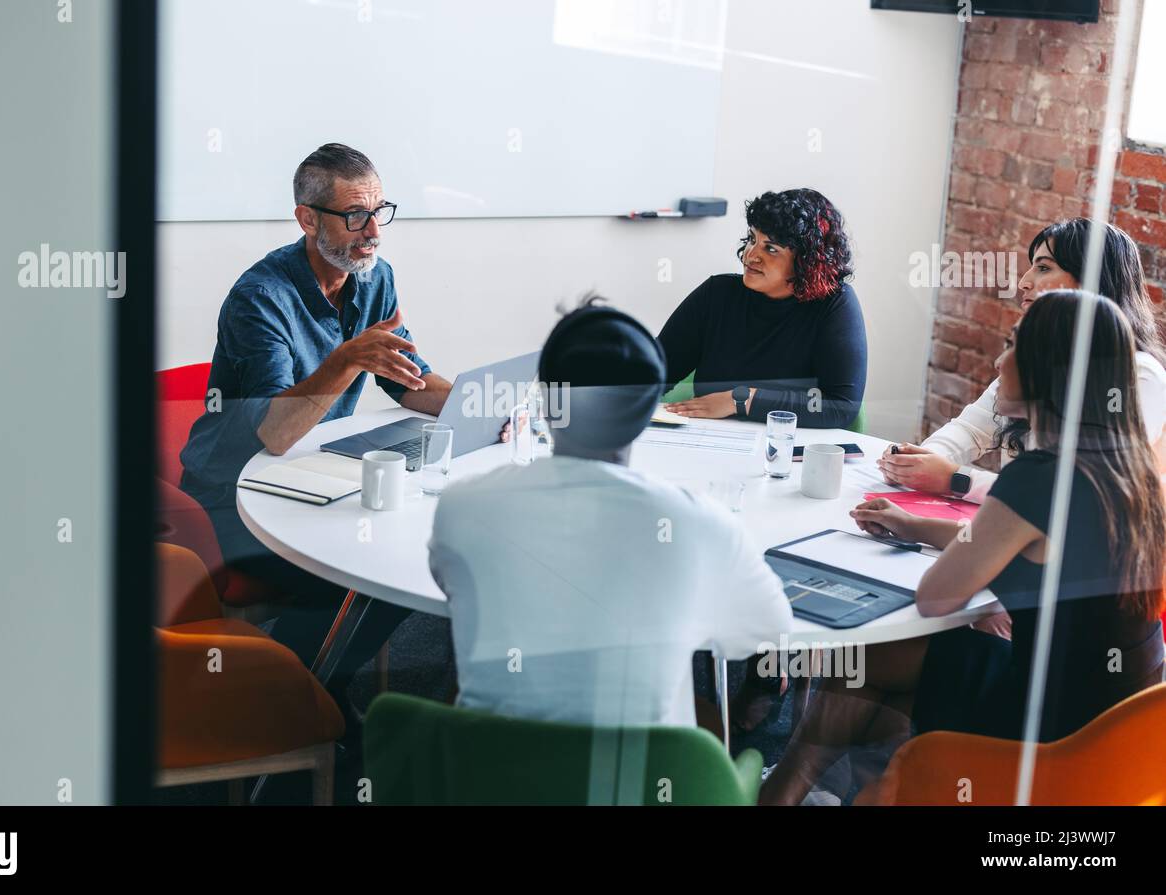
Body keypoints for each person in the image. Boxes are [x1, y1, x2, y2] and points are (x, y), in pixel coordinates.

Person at [761, 290, 1166, 806]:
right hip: (1121, 727)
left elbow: (935, 598)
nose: (999, 363)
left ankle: (808, 789)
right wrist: (915, 526)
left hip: (1049, 731)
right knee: (897, 672)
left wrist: (936, 537)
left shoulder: (1040, 477)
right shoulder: (1129, 471)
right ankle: (867, 787)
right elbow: (1020, 545)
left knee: (862, 657)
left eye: (1012, 345)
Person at [178, 143, 501, 713]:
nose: (372, 230)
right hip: (234, 495)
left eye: (381, 211)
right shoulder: (260, 298)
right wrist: (349, 357)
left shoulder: (374, 277)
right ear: (307, 218)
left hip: (312, 478)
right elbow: (274, 433)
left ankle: (315, 686)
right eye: (355, 215)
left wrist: (486, 406)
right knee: (367, 573)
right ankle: (287, 698)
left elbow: (407, 380)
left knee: (414, 559)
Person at [428, 298, 793, 727]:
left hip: (481, 778)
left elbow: (452, 586)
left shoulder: (462, 505)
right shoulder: (703, 526)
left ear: (544, 402)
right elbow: (768, 631)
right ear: (648, 416)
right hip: (642, 780)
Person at [881, 218, 1166, 500]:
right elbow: (972, 428)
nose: (1024, 281)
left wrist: (954, 479)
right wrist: (916, 463)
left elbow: (1078, 493)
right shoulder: (1040, 355)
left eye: (1043, 268)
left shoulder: (1138, 375)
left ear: (1092, 282)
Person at [659, 188, 867, 430]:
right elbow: (658, 369)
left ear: (806, 262)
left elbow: (840, 406)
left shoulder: (835, 305)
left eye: (771, 249)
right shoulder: (717, 294)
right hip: (709, 440)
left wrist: (742, 399)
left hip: (791, 446)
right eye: (752, 239)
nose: (751, 255)